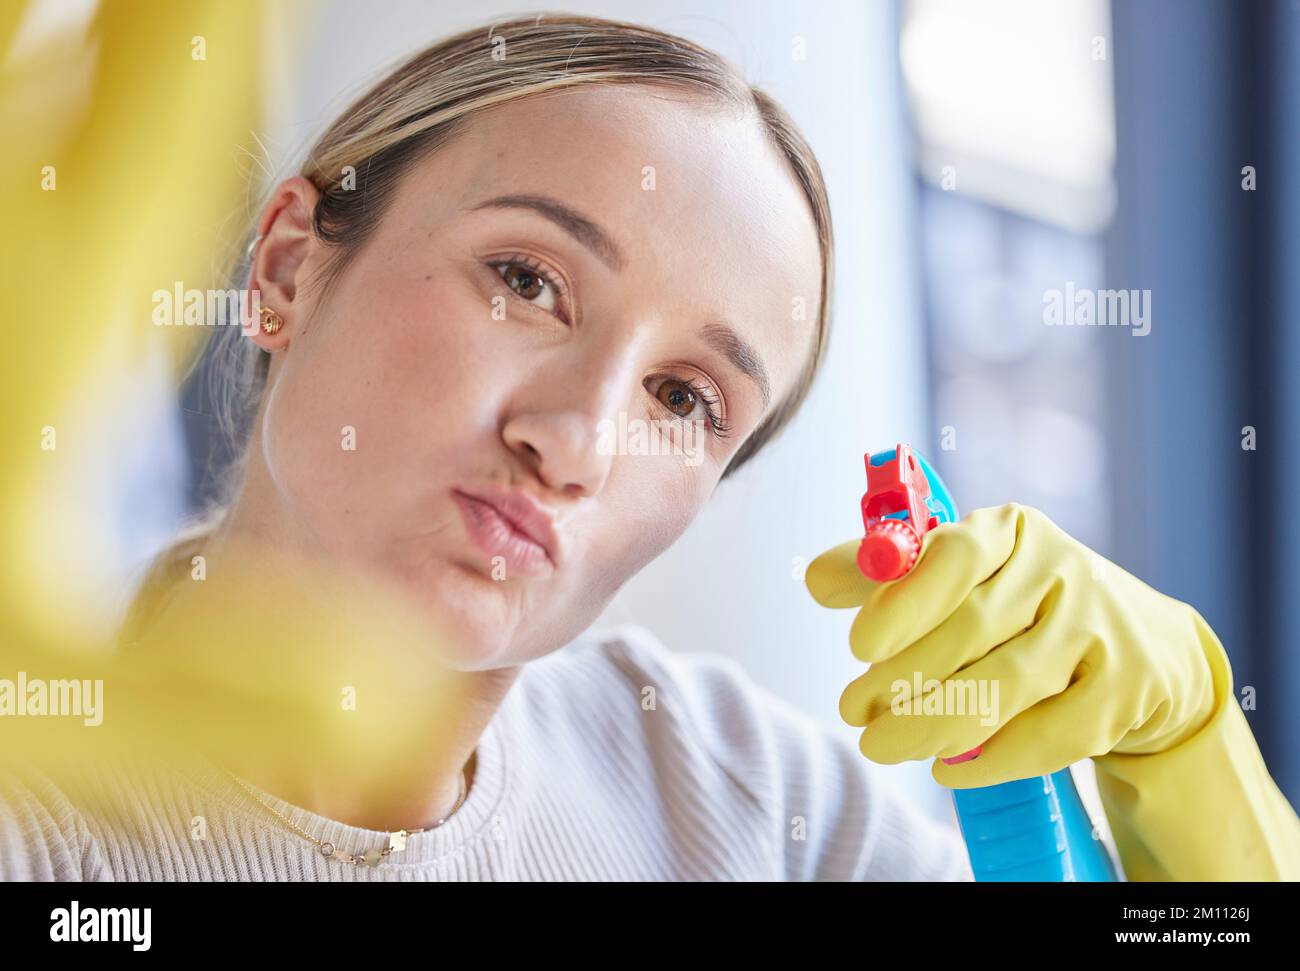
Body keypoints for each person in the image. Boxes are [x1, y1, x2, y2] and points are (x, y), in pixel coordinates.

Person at [1, 13, 1294, 882]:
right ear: (288, 264)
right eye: (526, 278)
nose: (570, 441)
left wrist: (1188, 768)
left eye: (685, 398)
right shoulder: (36, 802)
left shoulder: (747, 803)